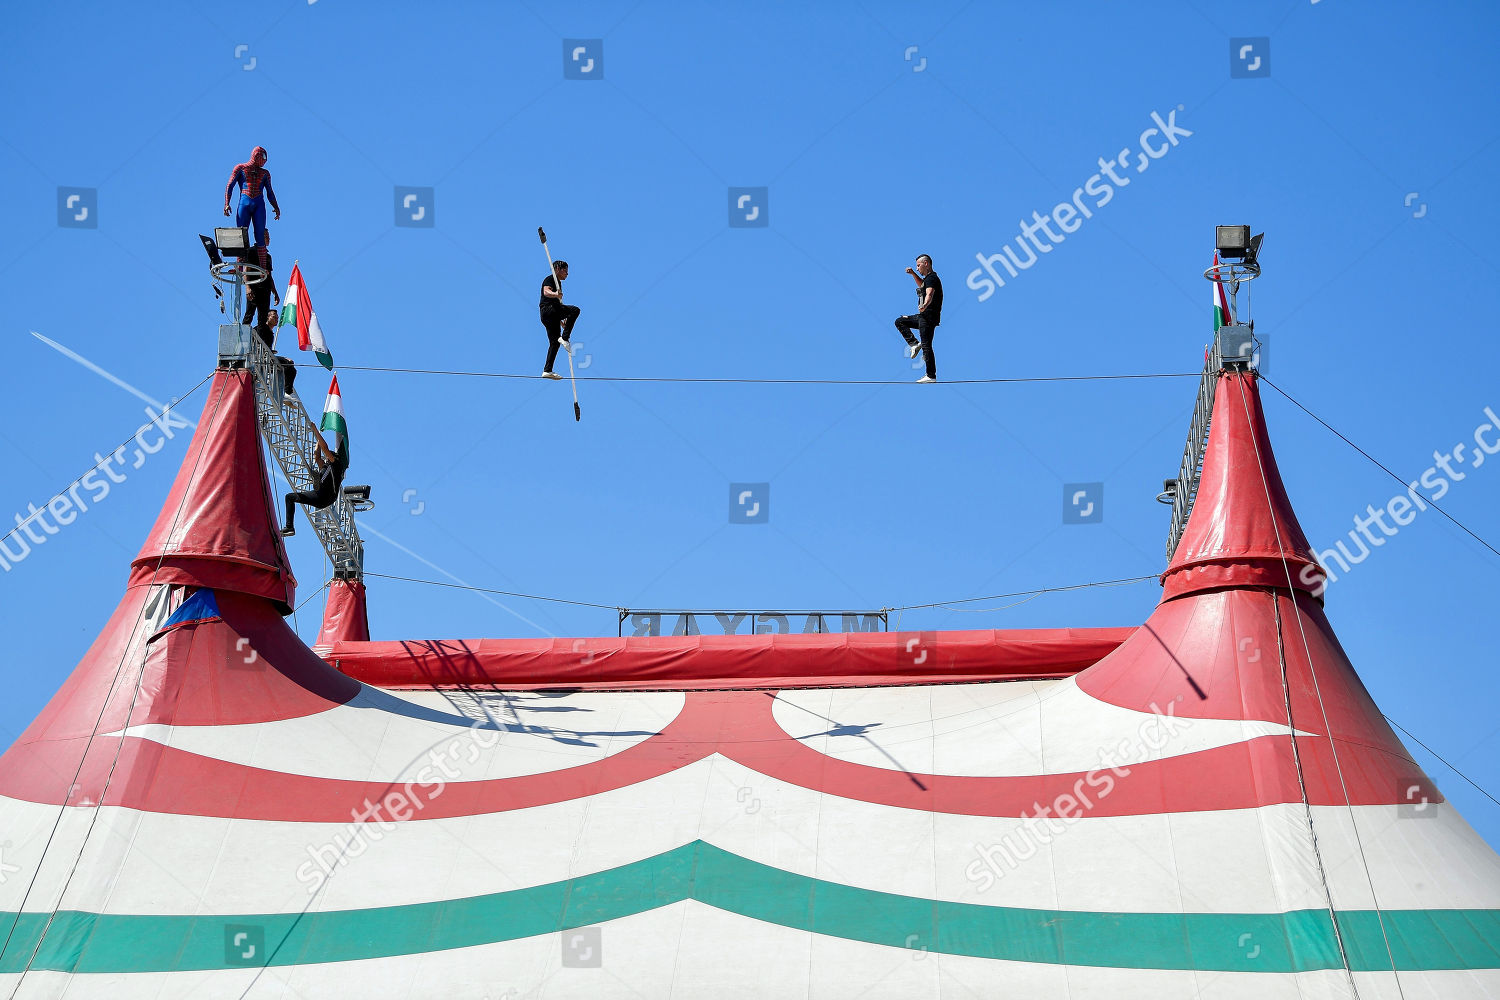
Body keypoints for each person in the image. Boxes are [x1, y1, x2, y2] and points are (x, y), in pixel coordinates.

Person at [281, 431, 347, 537]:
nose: (325, 459)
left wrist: (316, 431)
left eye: (327, 458)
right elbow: (317, 457)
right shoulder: (325, 466)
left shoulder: (335, 465)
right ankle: (289, 527)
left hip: (327, 495)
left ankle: (318, 481)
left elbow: (325, 448)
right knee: (290, 497)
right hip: (319, 497)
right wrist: (317, 441)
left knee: (320, 477)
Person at [895, 254, 943, 383]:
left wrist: (924, 305)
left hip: (928, 317)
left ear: (926, 263)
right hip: (923, 317)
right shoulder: (927, 279)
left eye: (918, 265)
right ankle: (915, 344)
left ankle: (931, 375)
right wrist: (912, 275)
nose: (917, 268)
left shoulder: (932, 278)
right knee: (900, 321)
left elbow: (930, 293)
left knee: (927, 346)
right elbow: (922, 285)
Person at [223, 146, 280, 247]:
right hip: (245, 203)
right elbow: (230, 185)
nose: (265, 160)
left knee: (260, 237)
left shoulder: (265, 173)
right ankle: (241, 262)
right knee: (240, 236)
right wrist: (227, 203)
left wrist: (276, 206)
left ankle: (262, 263)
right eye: (263, 156)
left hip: (258, 205)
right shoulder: (240, 168)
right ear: (256, 155)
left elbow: (270, 192)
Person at [539, 260, 580, 380]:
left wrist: (562, 322)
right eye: (565, 270)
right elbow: (546, 292)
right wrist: (556, 294)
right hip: (548, 310)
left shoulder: (558, 283)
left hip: (548, 316)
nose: (567, 273)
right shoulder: (550, 279)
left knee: (554, 343)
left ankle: (547, 370)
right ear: (557, 269)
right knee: (575, 310)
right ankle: (565, 338)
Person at [242, 244, 279, 348]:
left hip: (265, 290)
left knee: (262, 318)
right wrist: (248, 287)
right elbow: (246, 270)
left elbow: (269, 275)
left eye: (268, 237)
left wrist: (275, 292)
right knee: (249, 314)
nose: (268, 239)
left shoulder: (267, 256)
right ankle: (242, 340)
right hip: (254, 288)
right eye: (266, 236)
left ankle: (262, 343)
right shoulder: (252, 251)